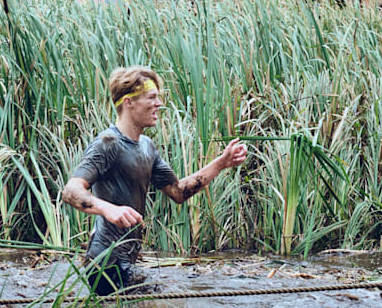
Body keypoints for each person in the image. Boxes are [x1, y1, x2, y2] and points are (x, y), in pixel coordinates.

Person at [61, 66, 247, 295]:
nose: (159, 104)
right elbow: (71, 191)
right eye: (152, 97)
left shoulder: (147, 147)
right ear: (128, 102)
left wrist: (222, 162)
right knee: (170, 305)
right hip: (105, 263)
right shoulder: (108, 143)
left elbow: (179, 192)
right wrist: (107, 208)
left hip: (127, 259)